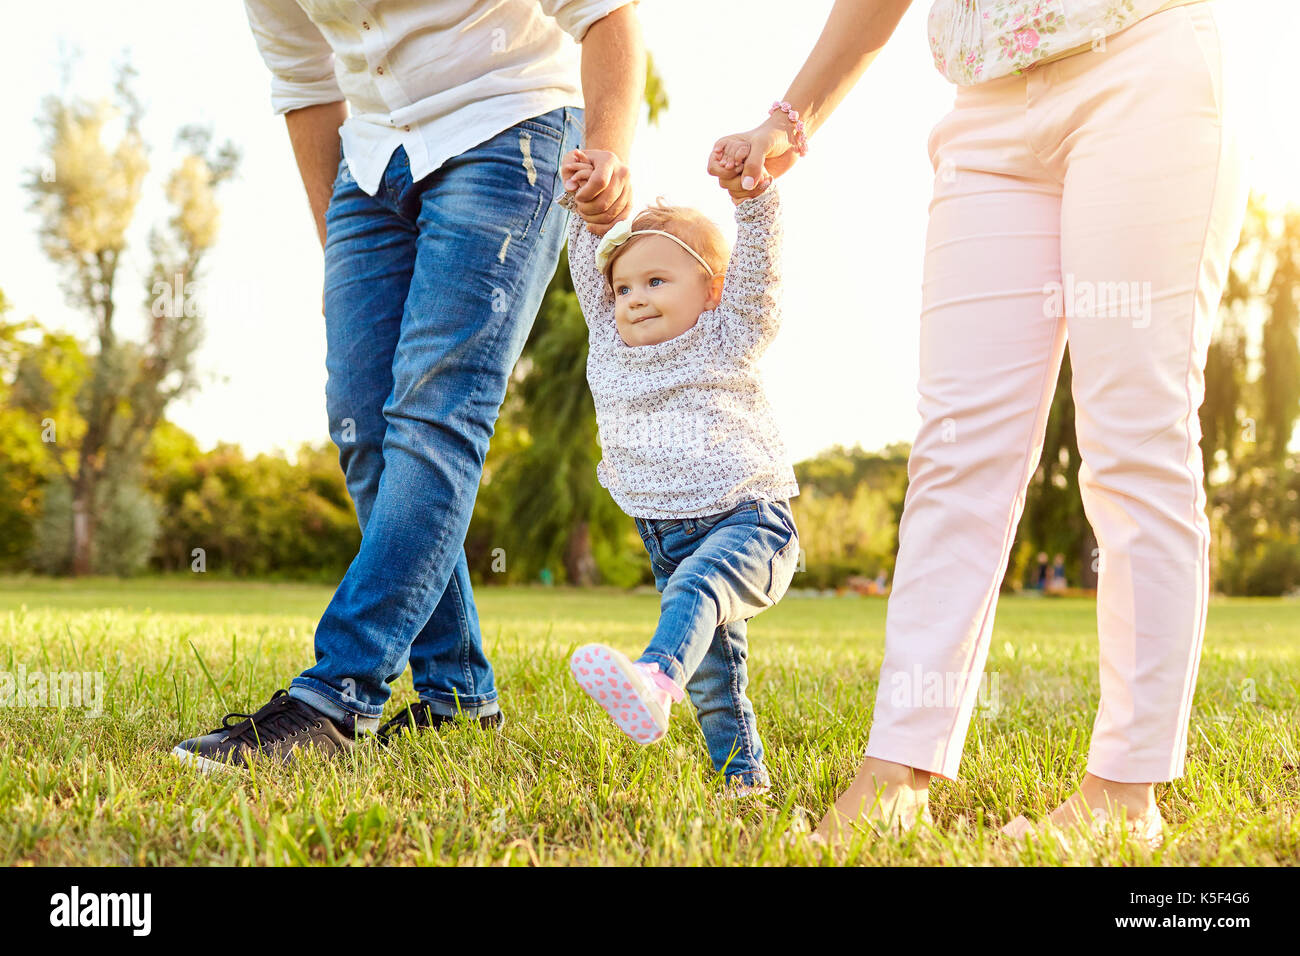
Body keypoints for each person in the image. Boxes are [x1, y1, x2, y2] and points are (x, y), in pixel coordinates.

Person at [708, 0, 1248, 847]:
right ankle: (896, 771)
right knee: (957, 451)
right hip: (987, 108)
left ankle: (1124, 796)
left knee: (1133, 441)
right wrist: (792, 117)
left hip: (1142, 64)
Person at [173, 0, 644, 771]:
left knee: (435, 413)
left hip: (509, 129)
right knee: (362, 427)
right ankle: (459, 698)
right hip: (369, 161)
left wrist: (609, 147)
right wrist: (344, 264)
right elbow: (305, 88)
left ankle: (336, 697)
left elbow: (605, 15)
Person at [560, 151, 801, 794]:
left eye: (657, 282)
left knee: (693, 592)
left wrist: (754, 201)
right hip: (665, 536)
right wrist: (586, 204)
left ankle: (653, 678)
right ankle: (743, 782)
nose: (634, 299)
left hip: (751, 525)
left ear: (711, 290)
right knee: (718, 683)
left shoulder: (728, 334)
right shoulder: (611, 345)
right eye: (625, 288)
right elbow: (589, 266)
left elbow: (760, 277)